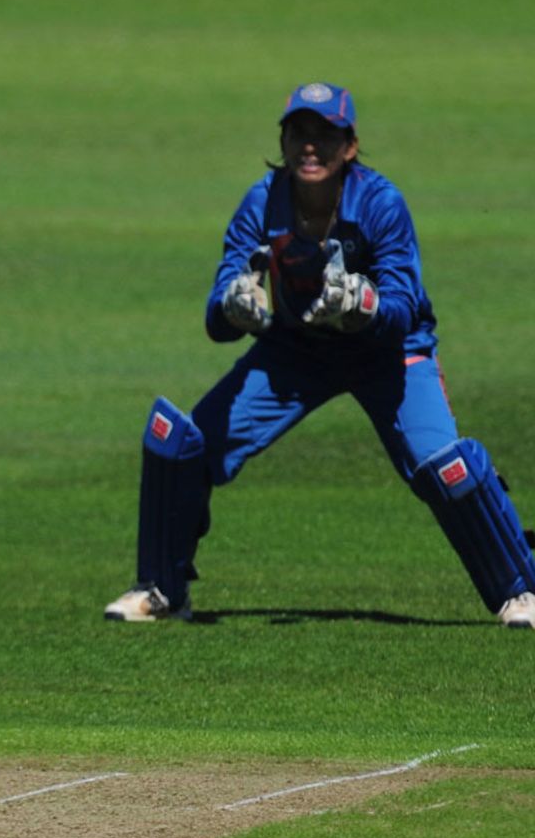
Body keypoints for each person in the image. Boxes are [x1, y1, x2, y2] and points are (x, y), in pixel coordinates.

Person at [104, 82, 535, 627]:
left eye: (325, 135)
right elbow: (217, 320)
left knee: (444, 466)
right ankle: (162, 590)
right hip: (295, 354)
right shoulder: (260, 203)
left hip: (387, 354)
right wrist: (235, 305)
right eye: (299, 133)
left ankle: (522, 590)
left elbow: (404, 306)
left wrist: (367, 304)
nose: (311, 147)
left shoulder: (380, 203)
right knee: (181, 445)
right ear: (283, 142)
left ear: (349, 147)